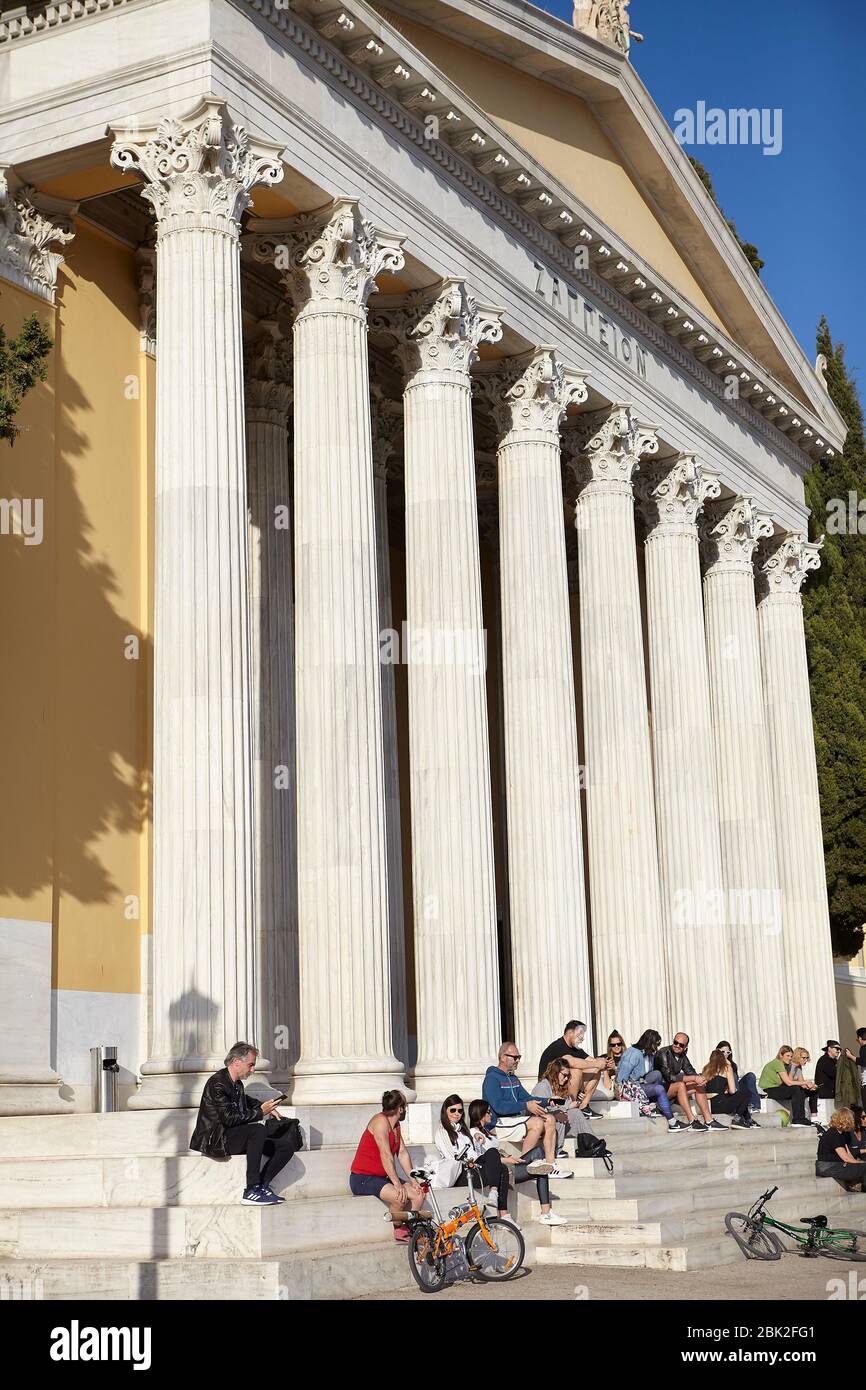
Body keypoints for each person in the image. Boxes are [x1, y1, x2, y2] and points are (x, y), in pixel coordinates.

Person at [189, 1041, 301, 1205]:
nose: (253, 1070)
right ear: (236, 1062)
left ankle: (262, 1186)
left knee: (285, 1147)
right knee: (258, 1130)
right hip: (216, 1139)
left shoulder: (237, 1084)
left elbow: (245, 1100)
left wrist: (266, 1108)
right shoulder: (217, 1083)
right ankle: (251, 1189)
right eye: (250, 1065)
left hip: (232, 1136)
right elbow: (228, 1118)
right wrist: (260, 1112)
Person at [468, 1099, 567, 1227]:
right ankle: (545, 1213)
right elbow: (482, 1158)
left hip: (507, 1164)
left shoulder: (487, 1132)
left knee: (538, 1155)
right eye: (488, 1112)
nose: (491, 1114)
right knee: (540, 1168)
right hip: (502, 1172)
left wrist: (509, 1157)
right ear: (480, 1114)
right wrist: (506, 1159)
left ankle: (546, 1212)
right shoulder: (474, 1133)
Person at [482, 1041, 573, 1179]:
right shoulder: (492, 1079)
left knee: (549, 1118)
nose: (517, 1060)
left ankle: (551, 1165)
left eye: (519, 1057)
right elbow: (499, 1106)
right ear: (502, 1057)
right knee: (536, 1122)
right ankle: (523, 1166)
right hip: (497, 1124)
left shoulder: (513, 1079)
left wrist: (548, 1101)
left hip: (512, 1121)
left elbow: (527, 1098)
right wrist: (525, 1106)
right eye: (515, 1057)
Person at [349, 1090, 427, 1241]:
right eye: (405, 1105)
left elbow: (402, 1153)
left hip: (382, 1177)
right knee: (399, 1198)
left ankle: (411, 1229)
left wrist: (413, 1180)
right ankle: (399, 1229)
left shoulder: (396, 1126)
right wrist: (397, 1183)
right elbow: (385, 1155)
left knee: (418, 1194)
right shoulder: (380, 1122)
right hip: (363, 1178)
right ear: (400, 1108)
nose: (406, 1109)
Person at [431, 1095, 510, 1217]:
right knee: (496, 1159)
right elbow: (452, 1158)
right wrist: (471, 1159)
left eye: (460, 1111)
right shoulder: (442, 1132)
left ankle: (503, 1212)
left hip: (472, 1168)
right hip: (459, 1173)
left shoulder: (463, 1131)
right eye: (453, 1110)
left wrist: (477, 1143)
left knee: (502, 1167)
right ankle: (496, 1198)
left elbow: (476, 1154)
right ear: (445, 1111)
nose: (457, 1114)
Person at [617, 1029, 688, 1132]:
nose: (657, 1047)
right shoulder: (633, 1054)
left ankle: (656, 1106)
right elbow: (622, 1077)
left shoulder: (649, 1055)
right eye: (656, 1044)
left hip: (640, 1083)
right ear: (650, 1043)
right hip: (629, 1088)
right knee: (659, 1089)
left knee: (658, 1074)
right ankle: (672, 1123)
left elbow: (649, 1073)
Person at [536, 1020, 612, 1117]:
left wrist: (604, 1063)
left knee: (595, 1069)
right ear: (570, 1032)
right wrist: (597, 1063)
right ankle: (572, 1107)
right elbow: (572, 1062)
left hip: (563, 1085)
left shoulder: (575, 1049)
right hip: (550, 1089)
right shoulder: (559, 1046)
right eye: (580, 1033)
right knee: (576, 1071)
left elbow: (593, 1062)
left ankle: (583, 1107)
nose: (582, 1038)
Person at [654, 1033, 722, 1131]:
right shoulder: (663, 1053)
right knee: (681, 1084)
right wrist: (694, 1078)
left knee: (697, 1085)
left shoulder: (682, 1056)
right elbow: (669, 1077)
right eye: (675, 1042)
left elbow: (690, 1071)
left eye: (681, 1045)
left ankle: (709, 1121)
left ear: (685, 1047)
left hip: (672, 1090)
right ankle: (692, 1121)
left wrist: (700, 1079)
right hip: (660, 1092)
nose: (677, 1046)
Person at [532, 1059, 593, 1155]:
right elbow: (539, 1110)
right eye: (564, 1075)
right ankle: (556, 1150)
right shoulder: (542, 1087)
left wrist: (577, 1102)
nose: (566, 1079)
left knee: (576, 1113)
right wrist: (565, 1107)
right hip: (542, 1123)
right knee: (558, 1115)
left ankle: (591, 1144)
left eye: (568, 1076)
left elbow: (568, 1105)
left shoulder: (561, 1087)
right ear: (555, 1073)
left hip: (560, 1125)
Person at [758, 1046, 814, 1126]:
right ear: (781, 1055)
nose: (790, 1058)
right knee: (796, 1089)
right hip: (767, 1090)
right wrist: (804, 1082)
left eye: (791, 1056)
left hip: (775, 1088)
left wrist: (807, 1085)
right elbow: (788, 1082)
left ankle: (802, 1118)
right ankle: (797, 1119)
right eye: (787, 1056)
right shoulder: (778, 1063)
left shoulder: (783, 1064)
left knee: (800, 1090)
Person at [701, 1049, 758, 1127]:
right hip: (721, 1105)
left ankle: (749, 1119)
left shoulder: (706, 1069)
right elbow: (732, 1091)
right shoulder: (726, 1068)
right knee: (745, 1094)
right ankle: (737, 1119)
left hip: (710, 1106)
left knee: (738, 1097)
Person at [815, 1108, 866, 1192]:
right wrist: (861, 1163)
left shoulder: (841, 1134)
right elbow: (845, 1158)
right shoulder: (833, 1134)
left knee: (862, 1166)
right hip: (827, 1167)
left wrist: (859, 1163)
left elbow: (849, 1155)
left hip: (836, 1165)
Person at [715, 1040, 761, 1113]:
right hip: (726, 1090)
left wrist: (729, 1065)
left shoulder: (732, 1065)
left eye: (728, 1052)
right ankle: (738, 1103)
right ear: (717, 1051)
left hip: (736, 1088)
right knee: (733, 1075)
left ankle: (754, 1106)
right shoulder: (713, 1065)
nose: (725, 1054)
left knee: (750, 1075)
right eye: (722, 1052)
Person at [593, 1032, 626, 1102]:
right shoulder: (605, 1057)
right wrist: (604, 1066)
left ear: (622, 1044)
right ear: (610, 1046)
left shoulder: (627, 1057)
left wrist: (615, 1068)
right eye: (613, 1045)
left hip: (621, 1087)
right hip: (606, 1086)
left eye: (619, 1044)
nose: (616, 1046)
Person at [789, 1047, 819, 1120]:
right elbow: (789, 1081)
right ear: (797, 1057)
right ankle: (799, 1117)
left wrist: (809, 1086)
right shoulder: (791, 1066)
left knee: (814, 1091)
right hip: (790, 1088)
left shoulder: (799, 1067)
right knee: (799, 1091)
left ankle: (814, 1116)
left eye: (807, 1058)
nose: (806, 1060)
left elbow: (801, 1081)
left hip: (796, 1087)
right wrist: (804, 1083)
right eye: (804, 1058)